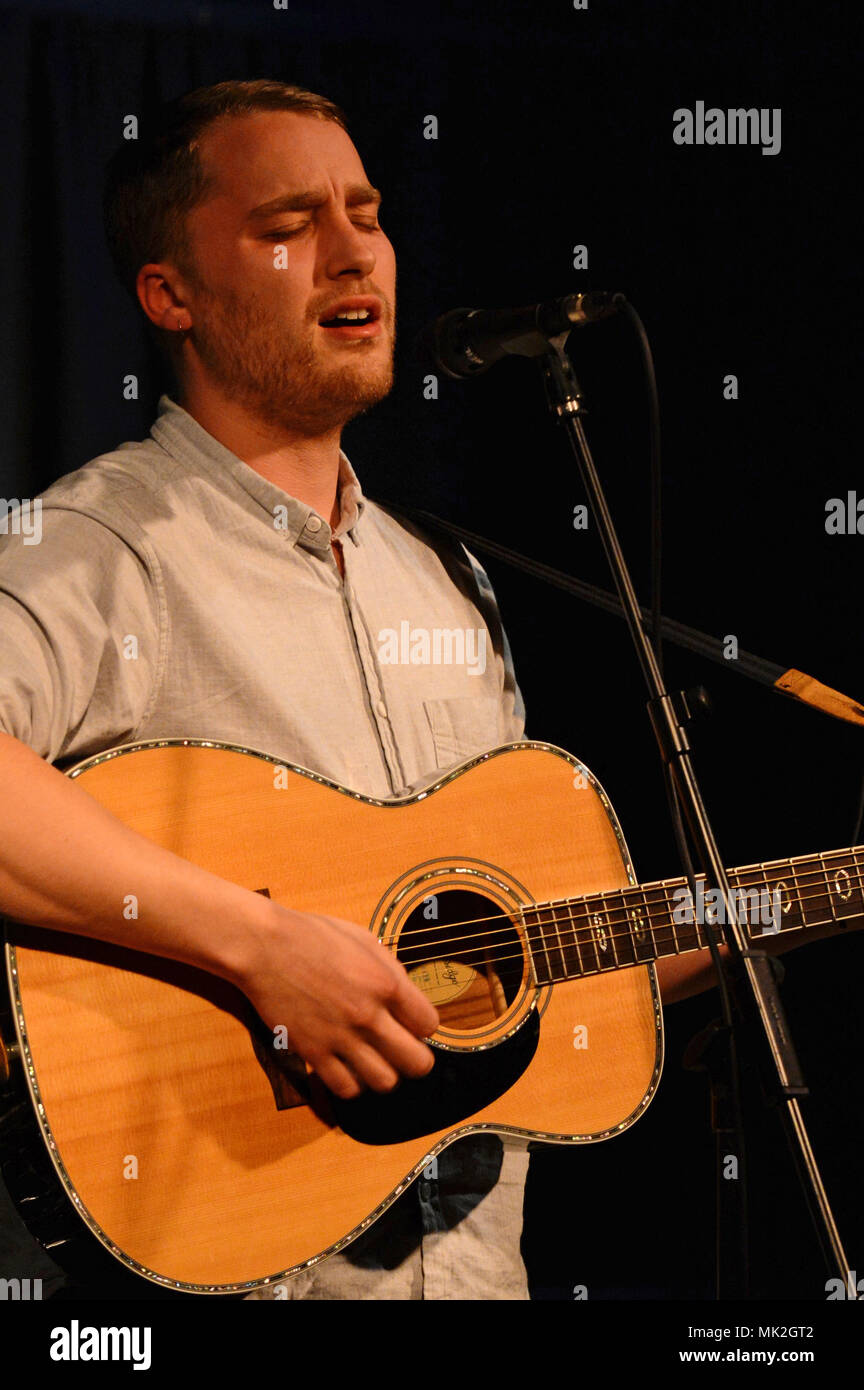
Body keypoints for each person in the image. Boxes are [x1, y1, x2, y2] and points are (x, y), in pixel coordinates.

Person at [0, 79, 843, 1301]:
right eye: (289, 224)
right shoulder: (95, 550)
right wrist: (263, 946)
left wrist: (774, 910)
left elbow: (490, 984)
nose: (353, 251)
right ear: (168, 294)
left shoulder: (444, 584)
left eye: (368, 212)